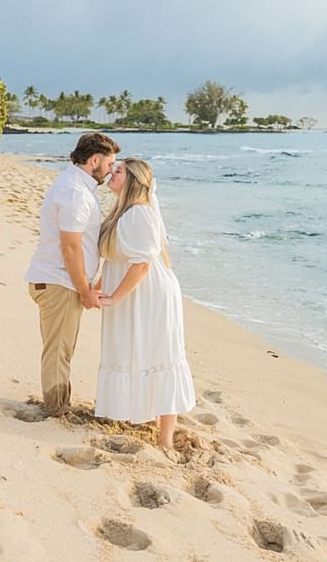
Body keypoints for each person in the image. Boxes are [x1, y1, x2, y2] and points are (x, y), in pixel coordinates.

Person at [95, 158, 195, 448]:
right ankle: (144, 415)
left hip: (150, 294)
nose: (111, 173)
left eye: (118, 171)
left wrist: (114, 296)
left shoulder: (139, 214)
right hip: (134, 292)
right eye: (112, 169)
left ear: (133, 180)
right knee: (134, 350)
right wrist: (98, 286)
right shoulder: (121, 212)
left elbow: (141, 265)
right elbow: (116, 257)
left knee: (160, 354)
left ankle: (165, 438)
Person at [26, 132, 121, 417]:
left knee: (60, 347)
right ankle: (56, 409)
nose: (110, 170)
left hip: (55, 279)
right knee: (58, 350)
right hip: (59, 282)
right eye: (109, 164)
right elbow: (70, 247)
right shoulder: (76, 193)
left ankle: (58, 403)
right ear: (94, 160)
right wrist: (85, 290)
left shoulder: (74, 185)